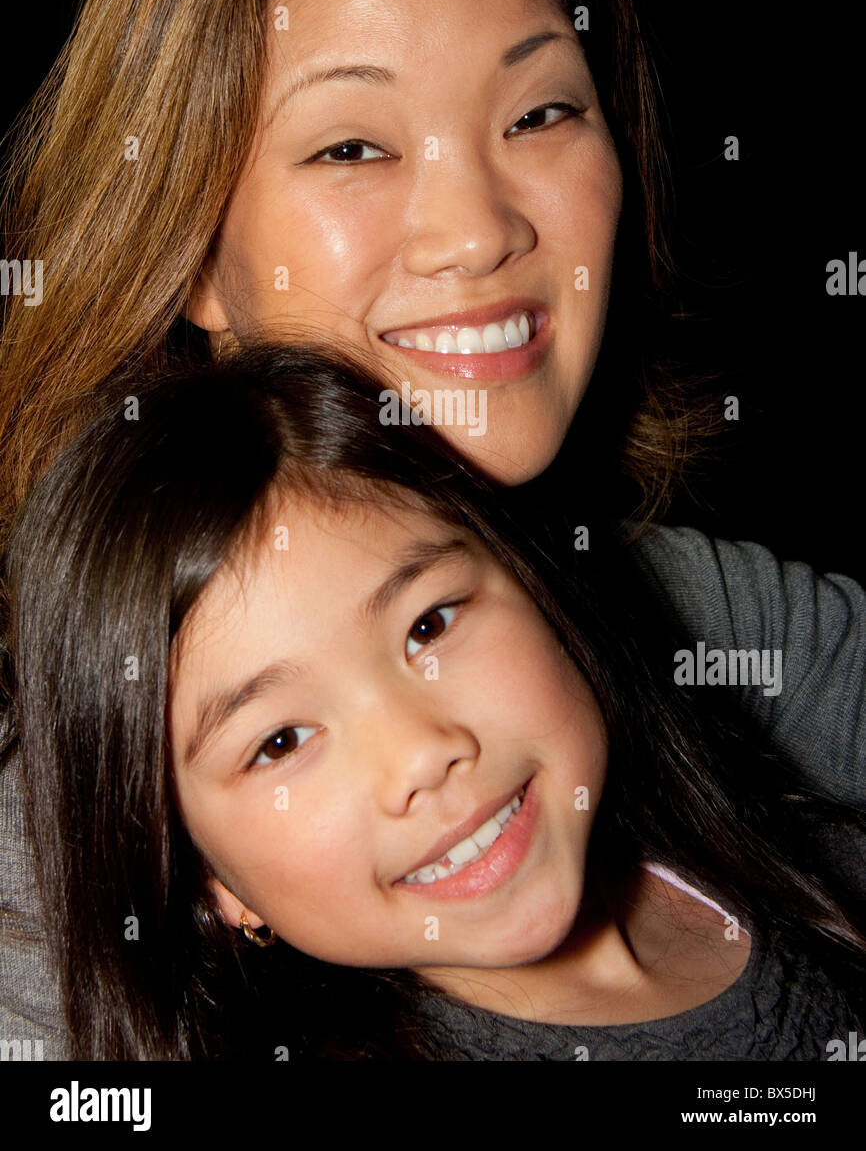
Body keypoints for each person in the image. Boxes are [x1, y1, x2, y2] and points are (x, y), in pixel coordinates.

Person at [1, 0, 864, 1055]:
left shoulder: (689, 608)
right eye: (351, 145)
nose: (479, 231)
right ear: (184, 251)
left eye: (540, 110)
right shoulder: (64, 861)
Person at [3, 341, 865, 1061]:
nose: (421, 751)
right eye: (280, 741)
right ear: (205, 879)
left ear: (534, 587)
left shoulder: (763, 837)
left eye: (429, 625)